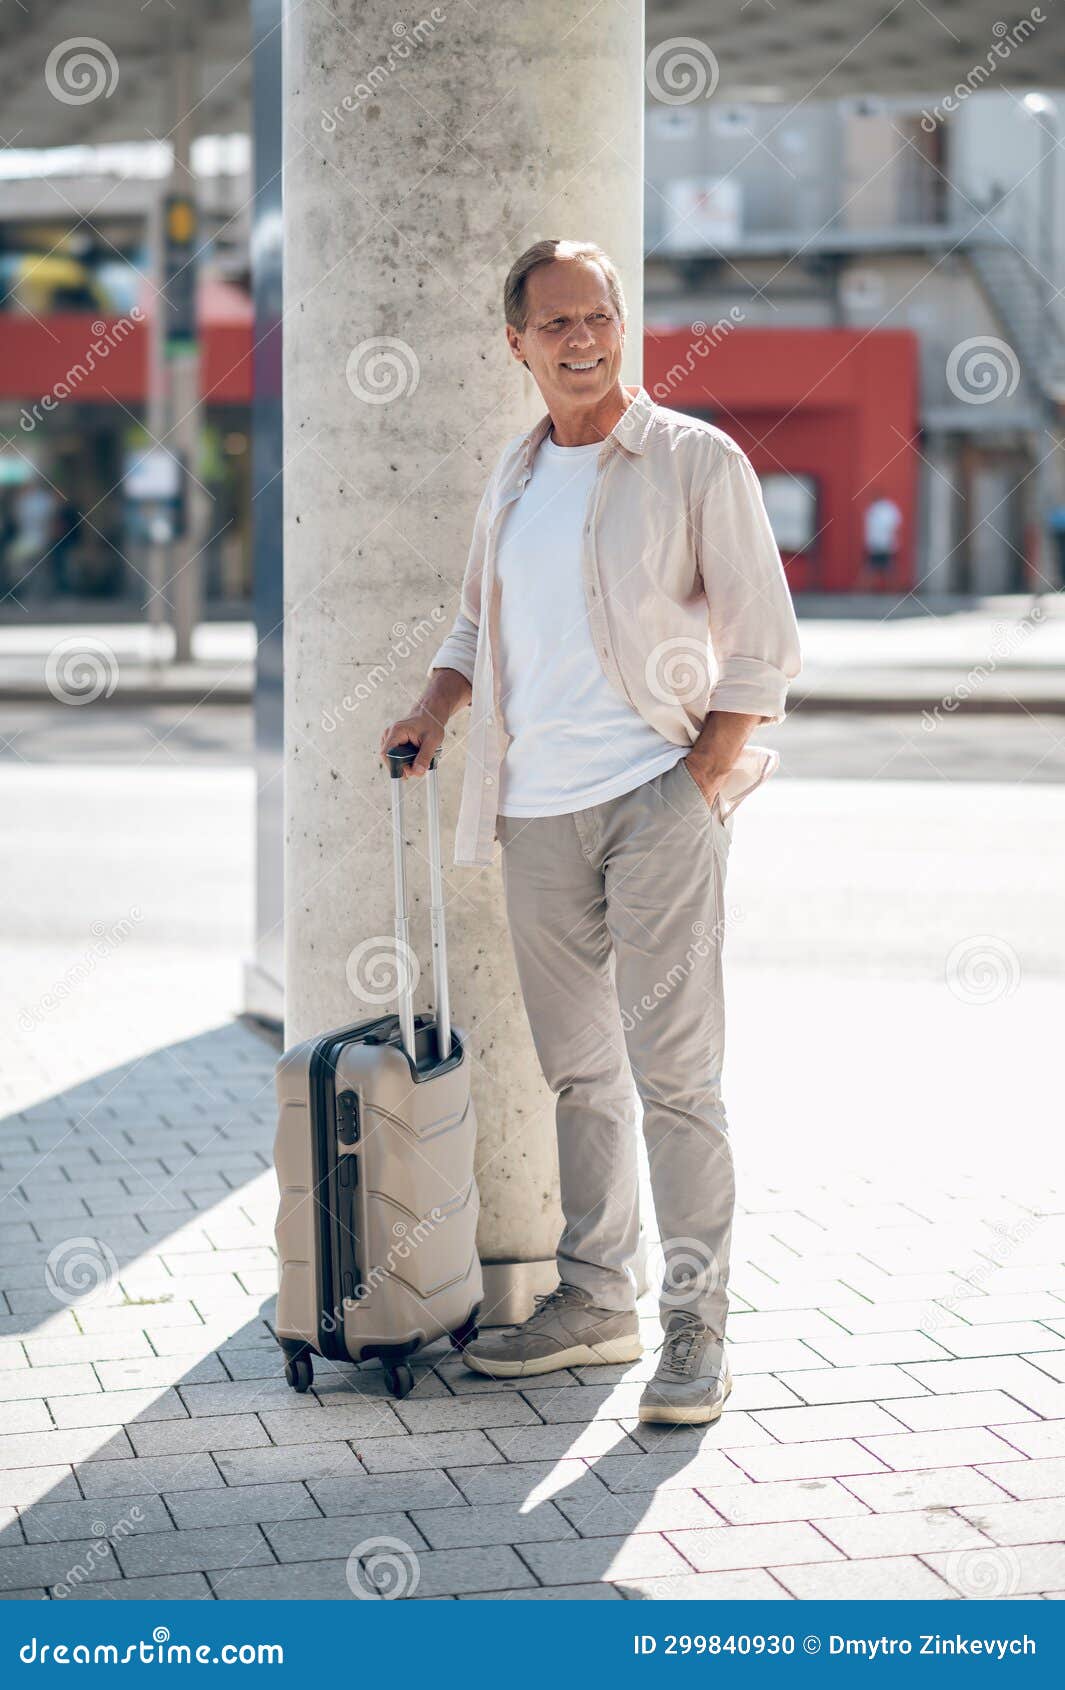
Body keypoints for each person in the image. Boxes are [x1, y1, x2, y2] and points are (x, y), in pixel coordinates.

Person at [380, 239, 801, 1425]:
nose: (582, 339)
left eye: (599, 316)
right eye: (555, 322)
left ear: (624, 325)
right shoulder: (512, 479)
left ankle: (695, 1329)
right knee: (581, 1076)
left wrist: (700, 778)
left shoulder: (691, 461)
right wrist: (432, 706)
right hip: (533, 812)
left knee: (677, 1079)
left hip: (657, 803)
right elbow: (474, 625)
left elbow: (765, 639)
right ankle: (596, 1298)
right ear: (515, 341)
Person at [858, 492, 903, 592]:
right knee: (876, 568)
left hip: (883, 544)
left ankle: (892, 590)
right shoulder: (874, 509)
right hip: (879, 544)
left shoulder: (885, 509)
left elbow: (894, 526)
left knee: (885, 568)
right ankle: (865, 590)